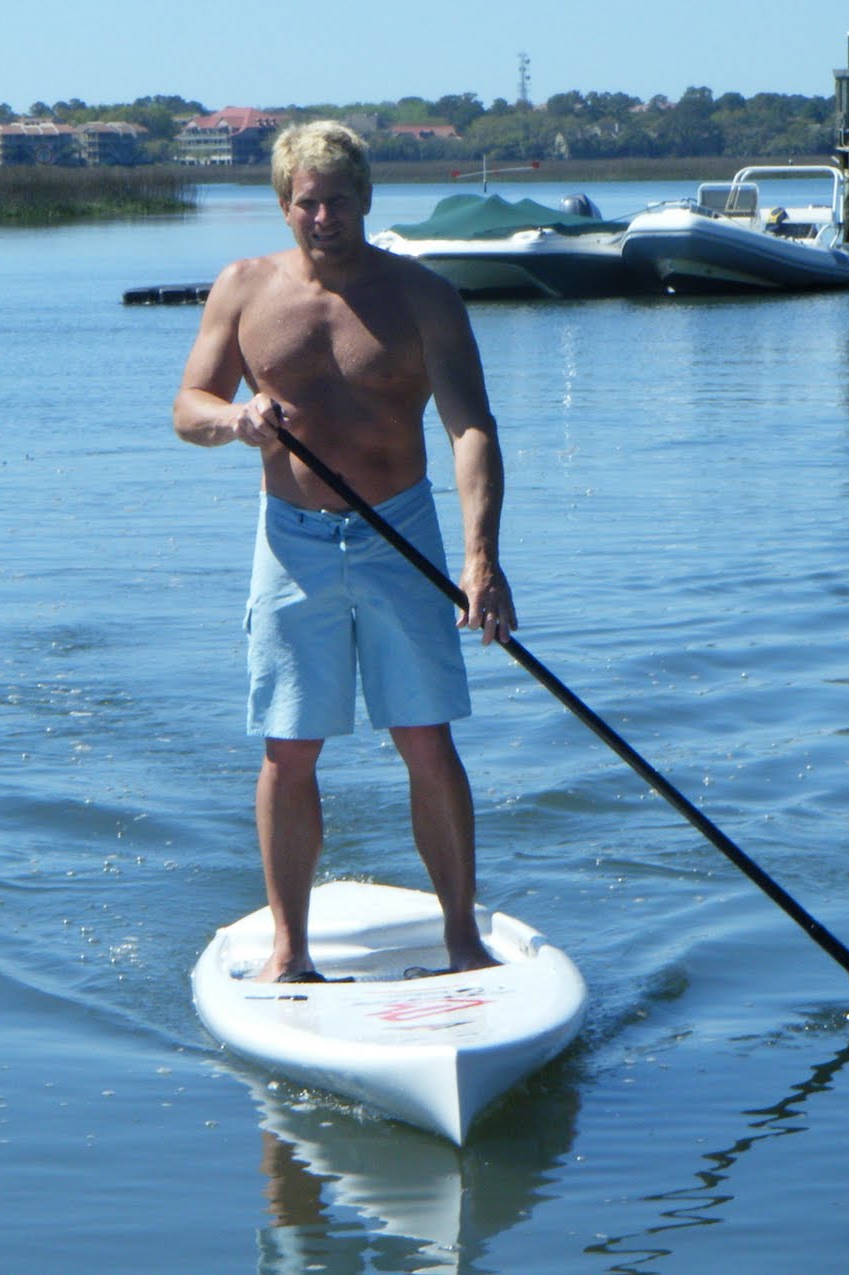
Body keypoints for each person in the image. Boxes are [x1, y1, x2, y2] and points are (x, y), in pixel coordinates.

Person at [172, 121, 517, 983]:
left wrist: (481, 558)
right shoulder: (243, 288)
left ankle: (461, 942)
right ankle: (292, 954)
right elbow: (189, 405)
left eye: (338, 200)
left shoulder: (423, 296)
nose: (322, 216)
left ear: (366, 200)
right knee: (289, 748)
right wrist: (235, 420)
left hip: (400, 533)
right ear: (285, 206)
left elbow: (470, 426)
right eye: (306, 202)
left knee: (425, 737)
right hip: (292, 543)